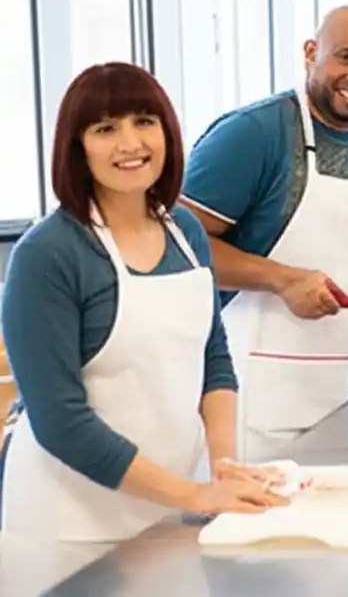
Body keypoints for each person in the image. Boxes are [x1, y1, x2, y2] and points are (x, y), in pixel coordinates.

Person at [0, 64, 287, 541]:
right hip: (70, 521)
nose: (130, 143)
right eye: (105, 128)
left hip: (165, 507)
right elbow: (59, 421)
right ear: (77, 146)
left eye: (144, 121)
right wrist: (193, 495)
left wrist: (224, 467)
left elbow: (212, 360)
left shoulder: (185, 232)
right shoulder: (48, 254)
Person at [182, 5, 348, 457]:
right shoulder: (252, 135)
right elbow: (178, 248)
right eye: (345, 57)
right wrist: (282, 279)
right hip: (252, 396)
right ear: (311, 53)